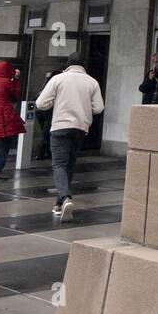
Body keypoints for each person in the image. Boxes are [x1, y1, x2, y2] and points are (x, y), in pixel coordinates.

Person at [34, 53, 104, 222]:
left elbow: (40, 103)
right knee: (69, 165)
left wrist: (54, 103)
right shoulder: (92, 82)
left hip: (60, 126)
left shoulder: (58, 79)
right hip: (80, 127)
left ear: (68, 64)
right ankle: (59, 204)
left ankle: (65, 197)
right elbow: (99, 108)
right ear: (83, 65)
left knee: (59, 164)